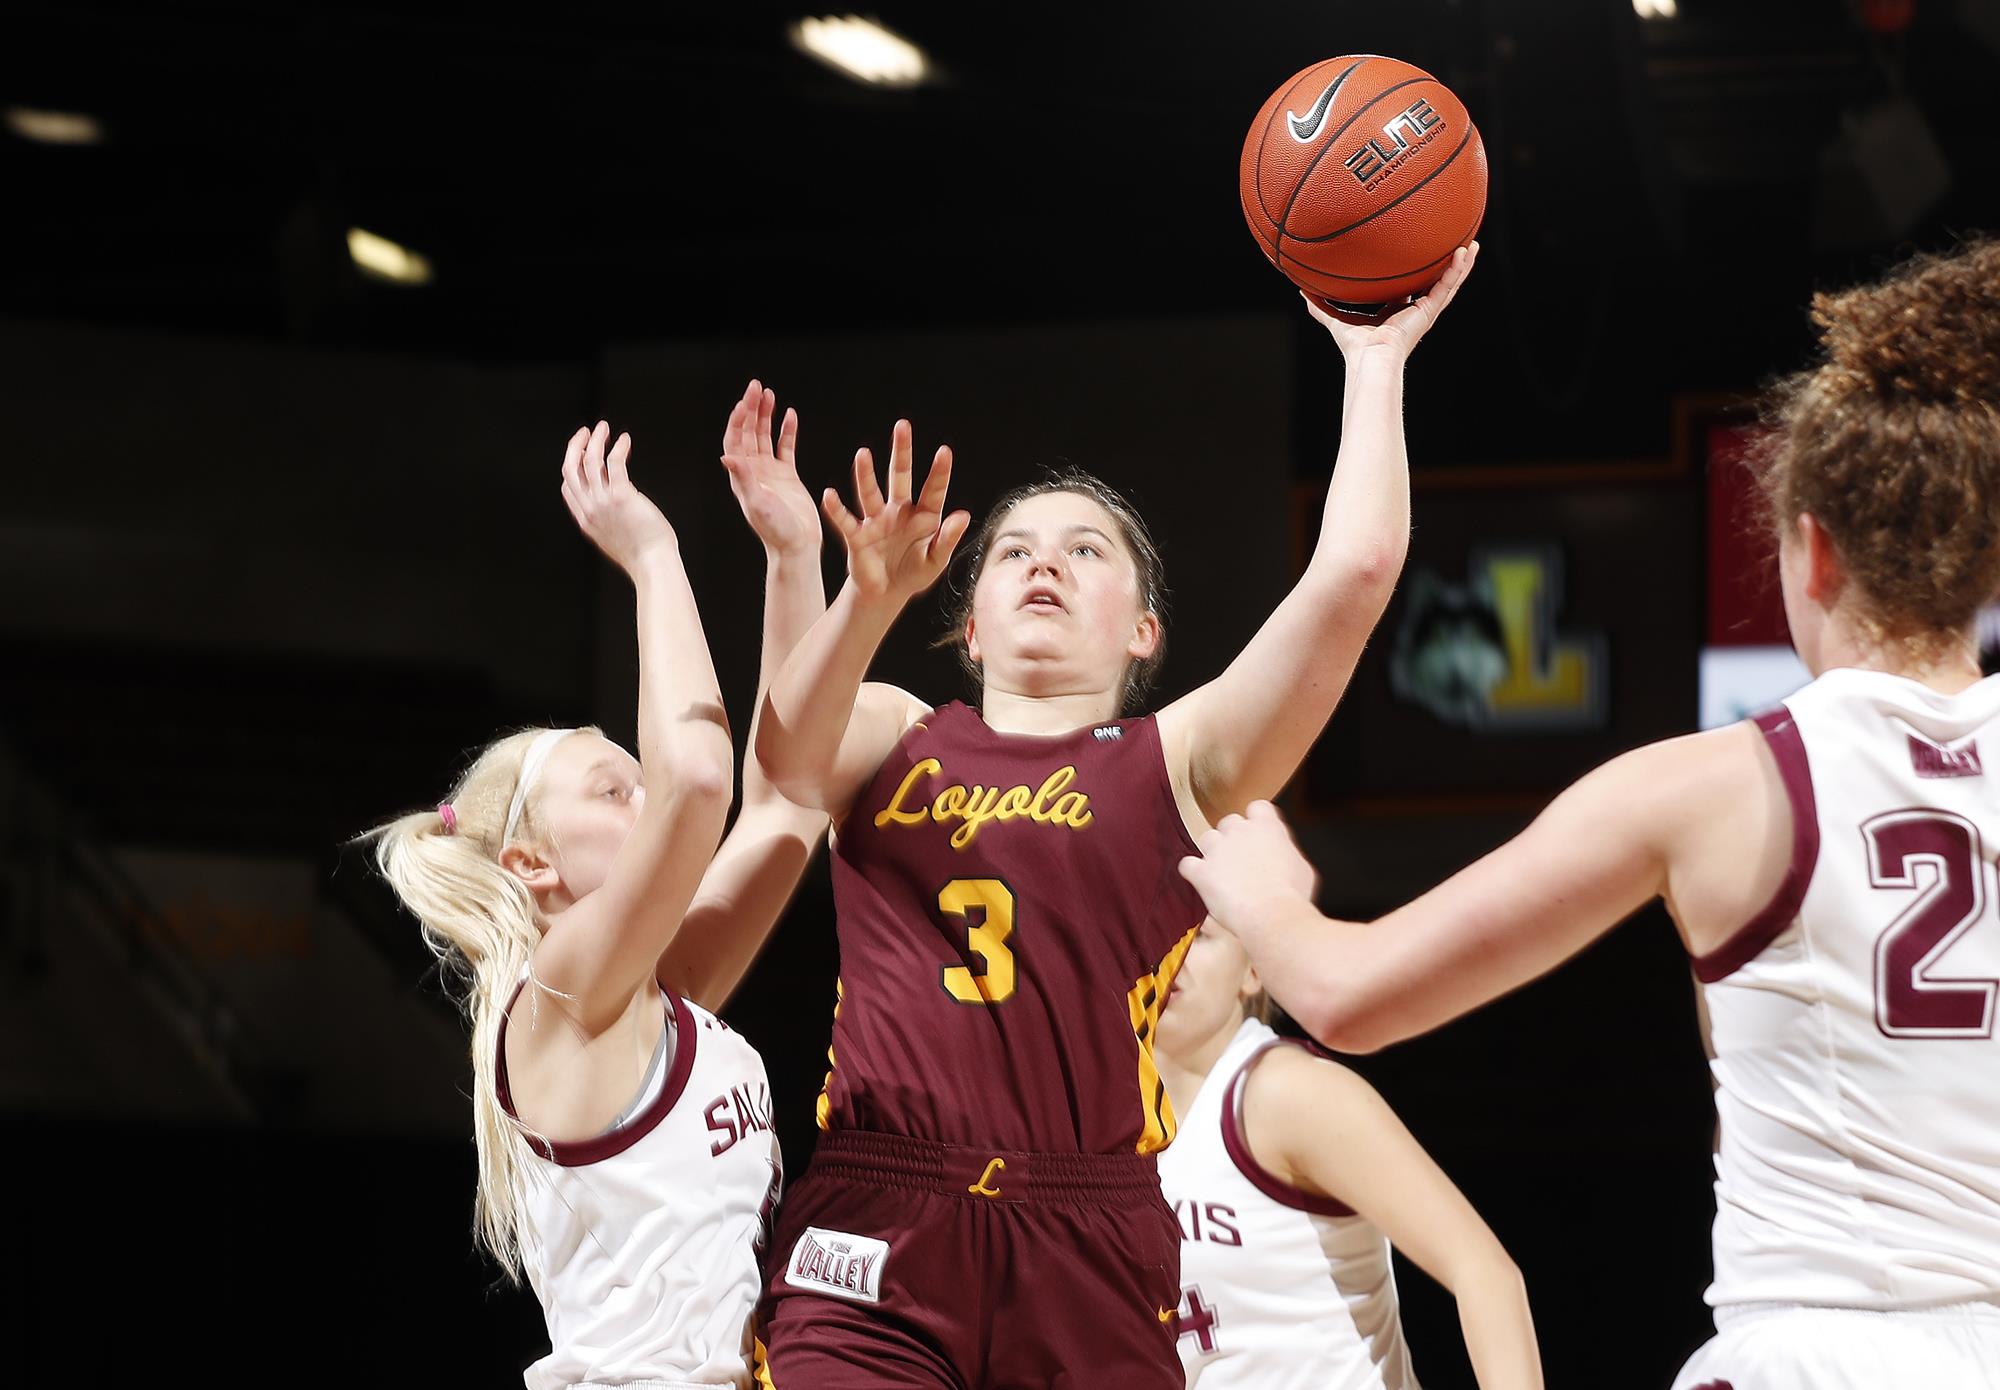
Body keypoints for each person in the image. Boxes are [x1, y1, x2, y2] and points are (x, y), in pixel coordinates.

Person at [1178, 240, 2000, 1389]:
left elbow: (1344, 998)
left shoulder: (1711, 786)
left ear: (1807, 553)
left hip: (1819, 1350)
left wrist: (1270, 903)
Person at [750, 247, 1478, 1389]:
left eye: (1084, 551)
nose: (1044, 563)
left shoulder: (1176, 761)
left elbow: (1354, 572)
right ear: (971, 627)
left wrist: (1373, 362)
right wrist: (862, 597)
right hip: (880, 1209)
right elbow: (785, 755)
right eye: (1012, 552)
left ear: (1143, 629)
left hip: (1085, 1230)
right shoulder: (897, 728)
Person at [367, 382, 828, 1389]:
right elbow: (700, 782)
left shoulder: (653, 1001)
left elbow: (791, 799)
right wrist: (655, 559)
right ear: (531, 863)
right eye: (613, 787)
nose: (646, 792)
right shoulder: (564, 991)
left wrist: (793, 560)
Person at [1156, 919, 1542, 1388]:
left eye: (1200, 936)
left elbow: (1485, 1272)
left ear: (1252, 970)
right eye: (1150, 927)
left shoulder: (1286, 1093)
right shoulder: (1102, 1127)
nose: (1171, 952)